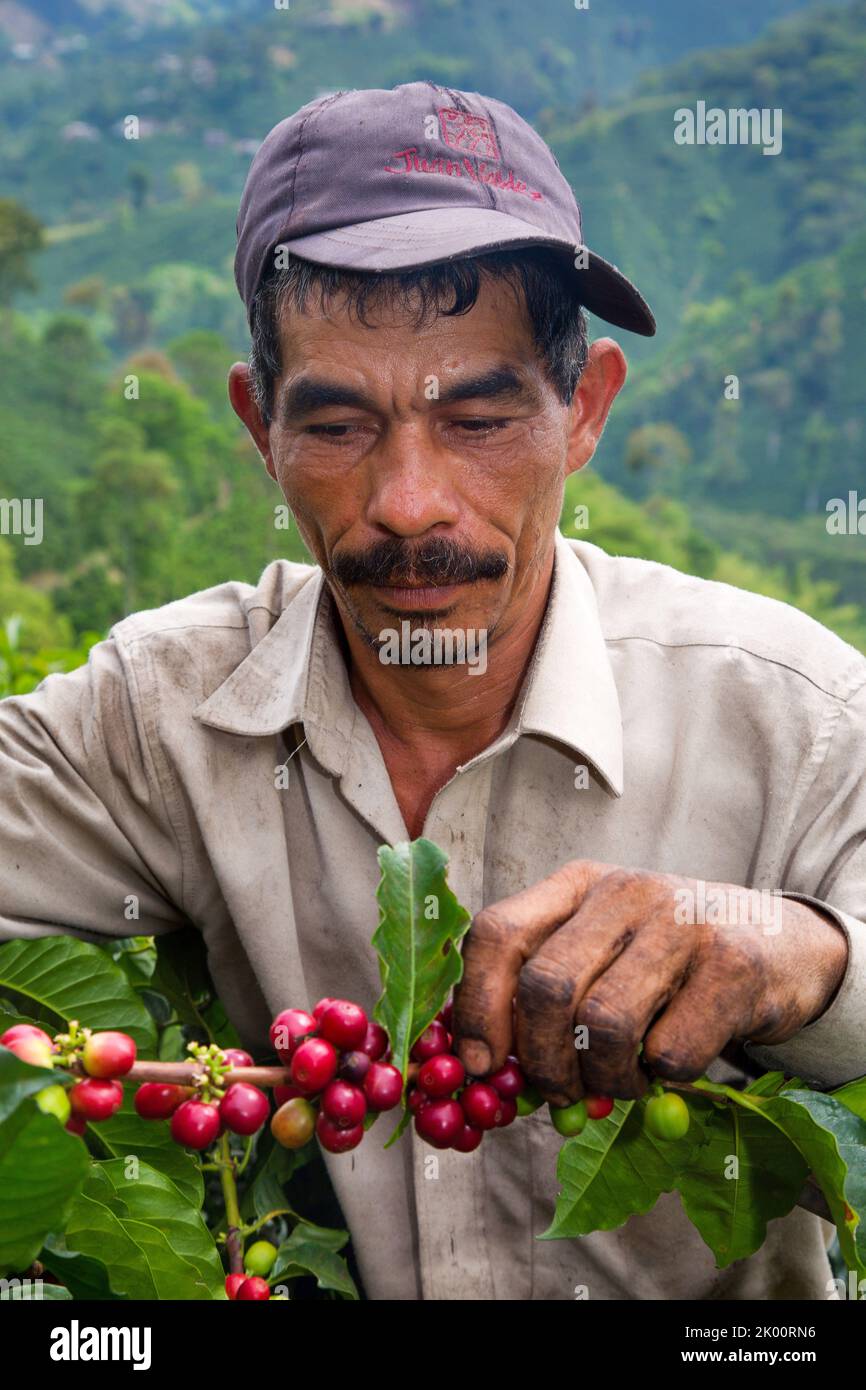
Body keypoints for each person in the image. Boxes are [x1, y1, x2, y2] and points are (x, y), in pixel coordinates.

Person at [1, 83, 864, 1301]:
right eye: (339, 424)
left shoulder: (790, 713)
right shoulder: (163, 715)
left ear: (584, 410)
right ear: (259, 429)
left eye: (477, 415)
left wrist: (804, 953)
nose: (408, 501)